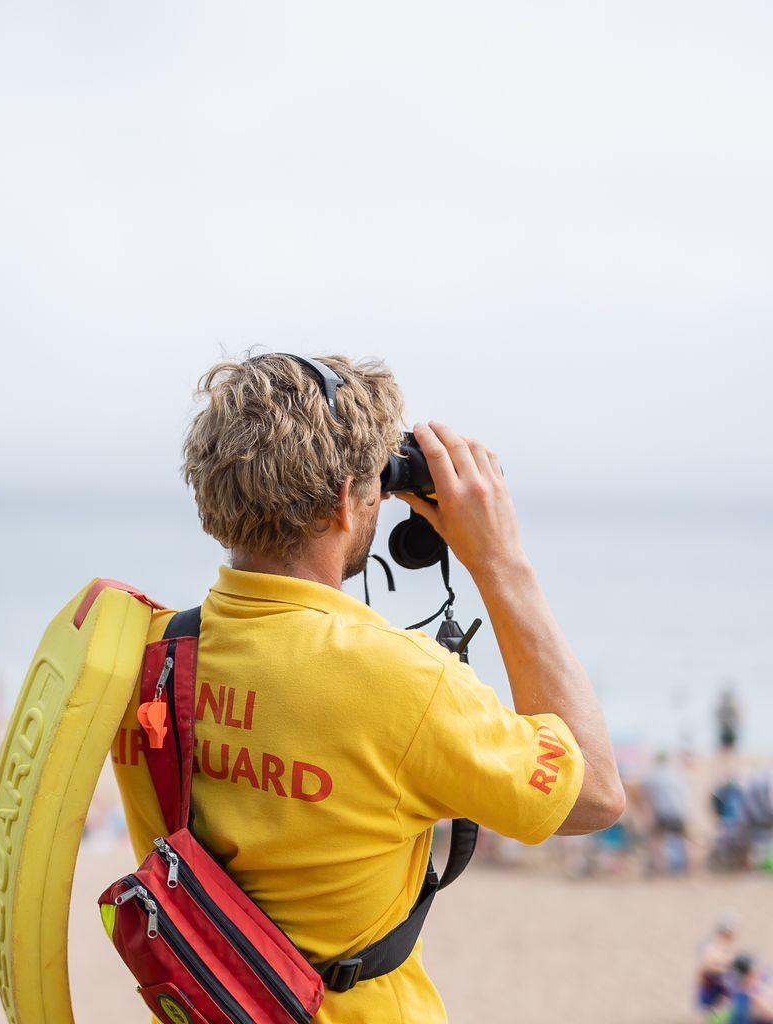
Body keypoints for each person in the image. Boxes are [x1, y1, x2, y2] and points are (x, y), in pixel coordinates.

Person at [110, 354, 625, 1024]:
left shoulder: (146, 653)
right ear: (349, 498)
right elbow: (594, 796)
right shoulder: (401, 681)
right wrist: (501, 561)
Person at [642, 751, 690, 875]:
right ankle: (690, 869)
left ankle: (659, 870)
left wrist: (649, 818)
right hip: (679, 812)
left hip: (662, 812)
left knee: (656, 841)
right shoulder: (677, 774)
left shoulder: (652, 776)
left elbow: (649, 799)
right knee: (684, 841)